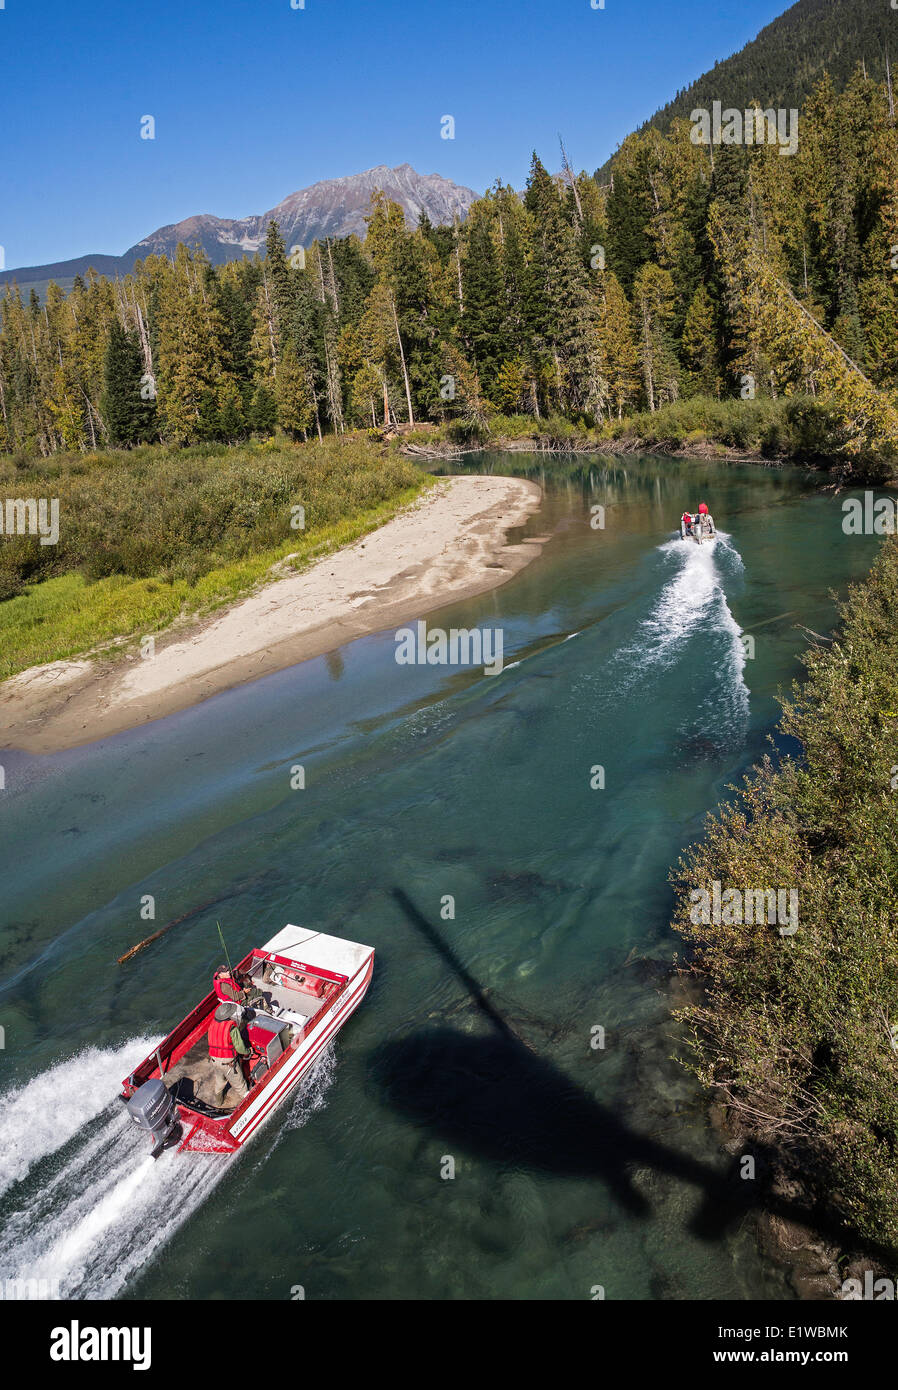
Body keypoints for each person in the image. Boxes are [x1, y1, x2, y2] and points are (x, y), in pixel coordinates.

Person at [207, 1002, 252, 1108]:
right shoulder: (231, 1027)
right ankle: (248, 1106)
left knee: (219, 1082)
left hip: (214, 1059)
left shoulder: (213, 1023)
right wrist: (248, 1051)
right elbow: (239, 1047)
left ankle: (218, 1103)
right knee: (240, 1086)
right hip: (228, 1063)